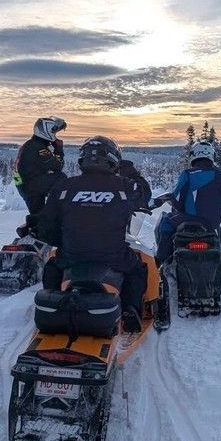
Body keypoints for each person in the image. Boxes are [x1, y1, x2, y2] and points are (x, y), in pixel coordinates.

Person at [35, 135, 147, 333]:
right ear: (113, 159)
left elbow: (46, 224)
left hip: (72, 256)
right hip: (113, 256)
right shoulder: (124, 186)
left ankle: (54, 301)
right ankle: (131, 310)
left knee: (53, 265)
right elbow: (144, 195)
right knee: (138, 269)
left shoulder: (64, 187)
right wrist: (133, 174)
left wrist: (62, 240)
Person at [155, 140, 221, 266]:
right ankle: (219, 256)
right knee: (218, 230)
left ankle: (162, 261)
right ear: (212, 156)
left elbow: (176, 197)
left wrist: (168, 199)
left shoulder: (188, 174)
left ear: (194, 155)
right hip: (212, 224)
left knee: (165, 221)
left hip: (189, 220)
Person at [13, 117, 67, 215]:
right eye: (54, 132)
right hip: (31, 185)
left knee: (39, 216)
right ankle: (60, 207)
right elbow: (58, 165)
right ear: (46, 131)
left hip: (28, 184)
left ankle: (38, 225)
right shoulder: (38, 148)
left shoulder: (32, 145)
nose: (55, 136)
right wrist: (59, 150)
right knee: (61, 177)